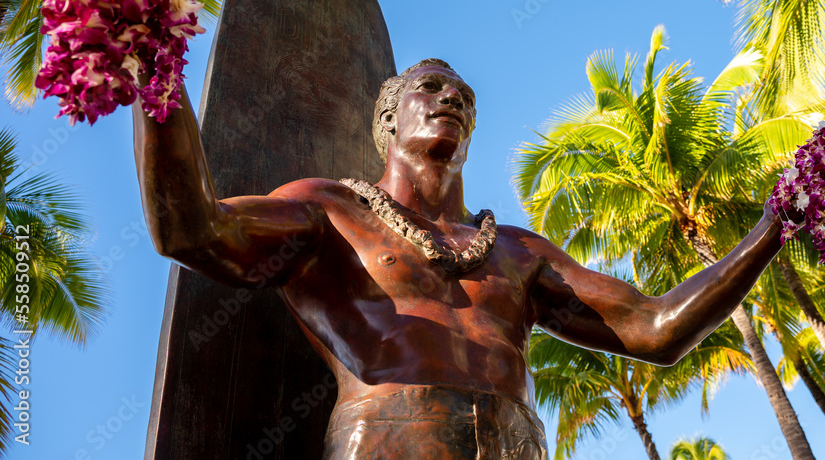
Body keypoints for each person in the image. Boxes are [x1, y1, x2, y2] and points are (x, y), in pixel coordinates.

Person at [133, 58, 787, 460]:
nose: (453, 99)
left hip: (519, 445)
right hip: (387, 440)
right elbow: (190, 228)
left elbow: (656, 327)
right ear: (388, 118)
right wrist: (150, 48)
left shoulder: (518, 250)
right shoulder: (329, 209)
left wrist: (770, 230)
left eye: (465, 98)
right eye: (433, 87)